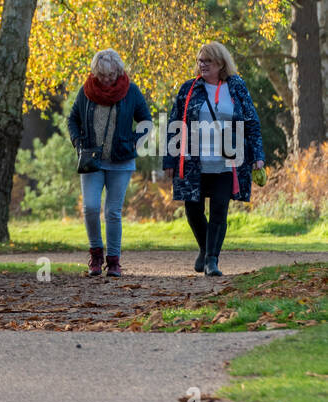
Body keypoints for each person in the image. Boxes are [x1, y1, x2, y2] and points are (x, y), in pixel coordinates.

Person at [163, 42, 265, 277]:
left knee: (219, 208)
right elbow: (174, 124)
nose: (202, 64)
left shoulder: (236, 86)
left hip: (227, 161)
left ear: (221, 63)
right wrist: (169, 159)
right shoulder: (189, 89)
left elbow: (252, 122)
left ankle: (211, 260)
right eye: (200, 60)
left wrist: (258, 155)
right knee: (193, 210)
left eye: (208, 60)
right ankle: (204, 247)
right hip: (193, 162)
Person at [68, 49, 151, 277]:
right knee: (91, 208)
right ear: (95, 72)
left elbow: (146, 121)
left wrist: (133, 143)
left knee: (113, 211)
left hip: (121, 161)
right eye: (102, 75)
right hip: (92, 161)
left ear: (118, 71)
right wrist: (78, 143)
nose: (106, 80)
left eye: (110, 75)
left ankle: (114, 261)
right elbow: (72, 120)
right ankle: (96, 255)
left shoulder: (131, 91)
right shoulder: (86, 91)